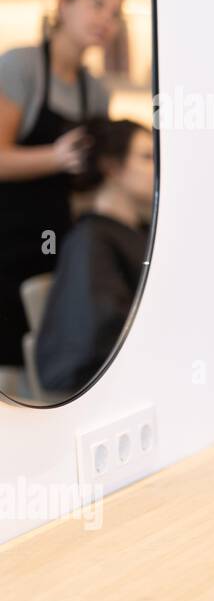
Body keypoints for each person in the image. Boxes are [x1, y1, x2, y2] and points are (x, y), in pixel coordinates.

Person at [0, 0, 122, 377]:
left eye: (116, 13)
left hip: (56, 239)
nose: (107, 19)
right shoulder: (21, 67)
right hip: (6, 240)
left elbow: (87, 182)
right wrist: (55, 157)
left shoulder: (97, 92)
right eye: (97, 3)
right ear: (63, 4)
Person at [36, 119, 153, 395]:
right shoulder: (91, 240)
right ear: (112, 167)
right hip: (107, 392)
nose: (157, 168)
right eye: (147, 157)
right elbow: (104, 331)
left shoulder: (142, 233)